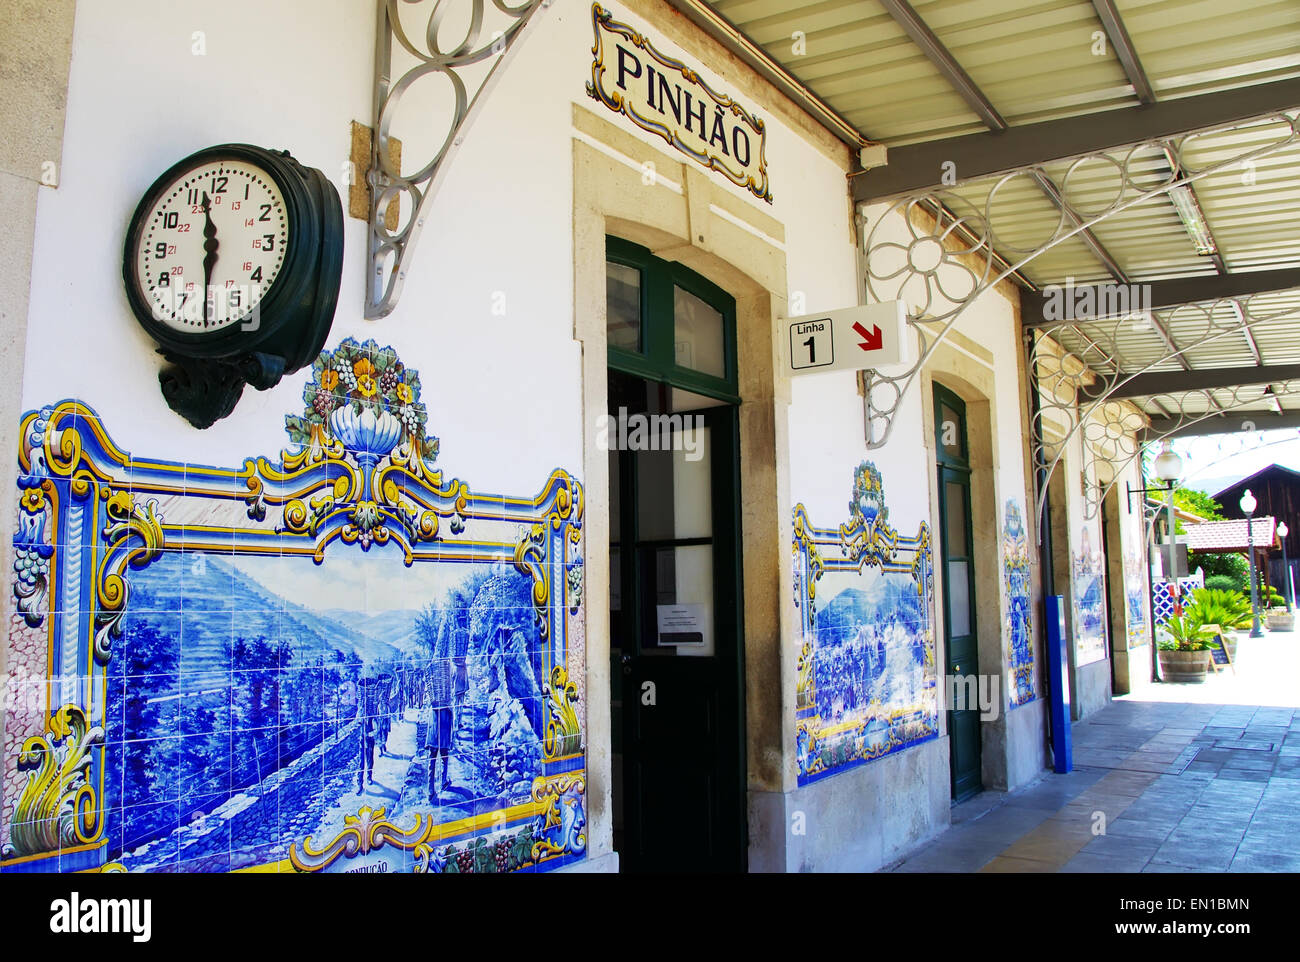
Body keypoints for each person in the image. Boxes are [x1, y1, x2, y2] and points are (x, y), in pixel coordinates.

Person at [425, 657, 454, 800]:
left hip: (433, 735)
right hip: (443, 735)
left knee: (432, 760)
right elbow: (450, 721)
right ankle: (443, 781)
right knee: (444, 757)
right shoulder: (447, 703)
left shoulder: (433, 704)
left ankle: (430, 789)